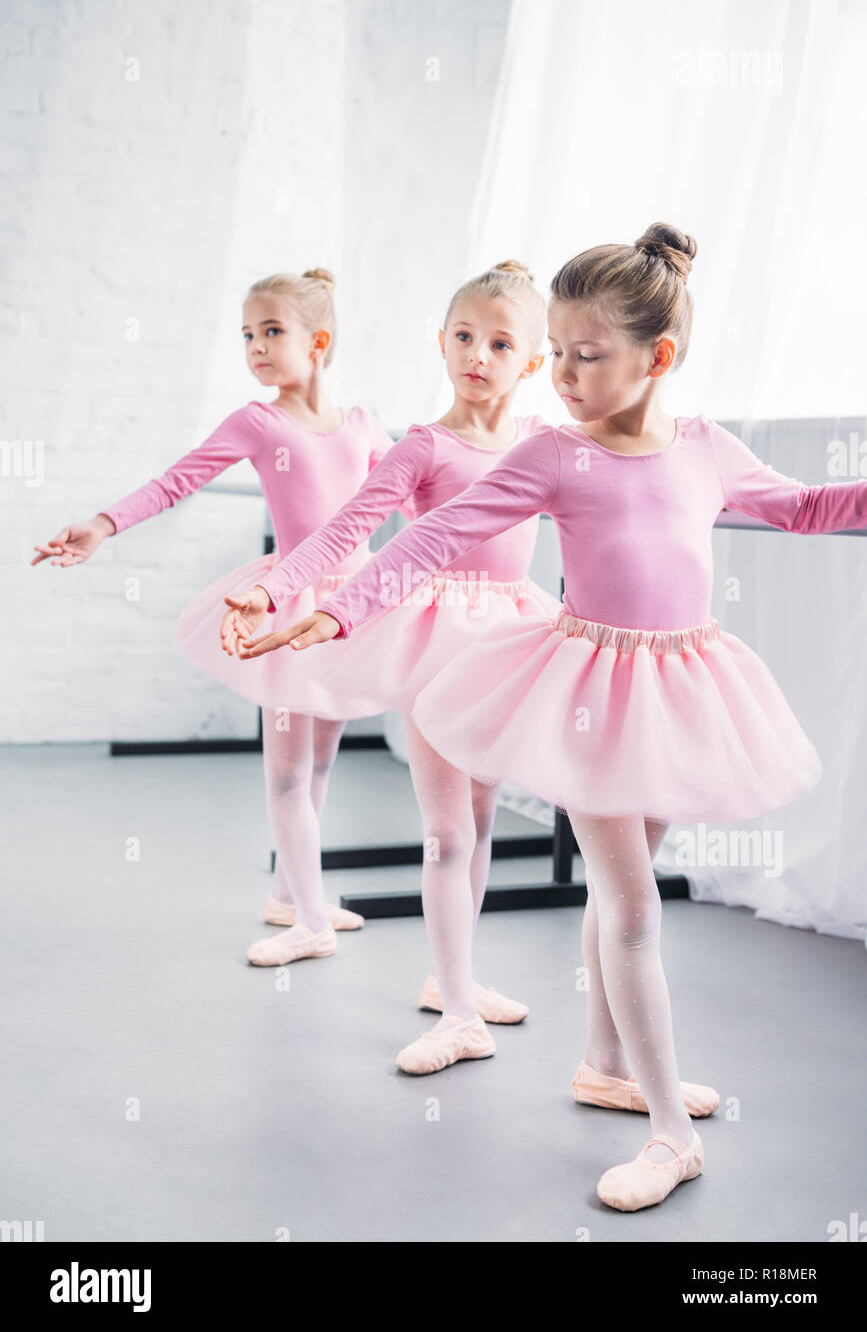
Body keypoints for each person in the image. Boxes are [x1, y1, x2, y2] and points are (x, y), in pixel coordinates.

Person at [242, 223, 867, 1211]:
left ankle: (606, 1064)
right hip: (590, 696)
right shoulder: (553, 454)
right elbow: (438, 532)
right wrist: (335, 604)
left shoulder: (706, 448)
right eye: (561, 355)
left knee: (621, 894)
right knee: (632, 907)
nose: (564, 376)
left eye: (586, 357)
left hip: (683, 683)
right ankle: (668, 1133)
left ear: (657, 357)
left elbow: (805, 508)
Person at [222, 261, 560, 1071]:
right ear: (441, 344)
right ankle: (452, 1015)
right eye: (464, 338)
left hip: (510, 636)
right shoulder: (423, 446)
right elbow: (346, 531)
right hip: (436, 637)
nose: (477, 355)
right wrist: (276, 593)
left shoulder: (544, 445)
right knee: (446, 832)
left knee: (480, 820)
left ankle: (455, 981)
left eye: (500, 342)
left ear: (533, 361)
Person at [32, 268, 409, 949]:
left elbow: (413, 504)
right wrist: (102, 522)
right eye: (246, 335)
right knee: (289, 771)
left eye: (271, 331)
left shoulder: (363, 426)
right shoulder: (258, 422)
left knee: (321, 763)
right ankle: (312, 923)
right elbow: (179, 480)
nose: (255, 347)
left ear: (318, 340)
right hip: (286, 605)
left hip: (347, 608)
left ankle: (288, 897)